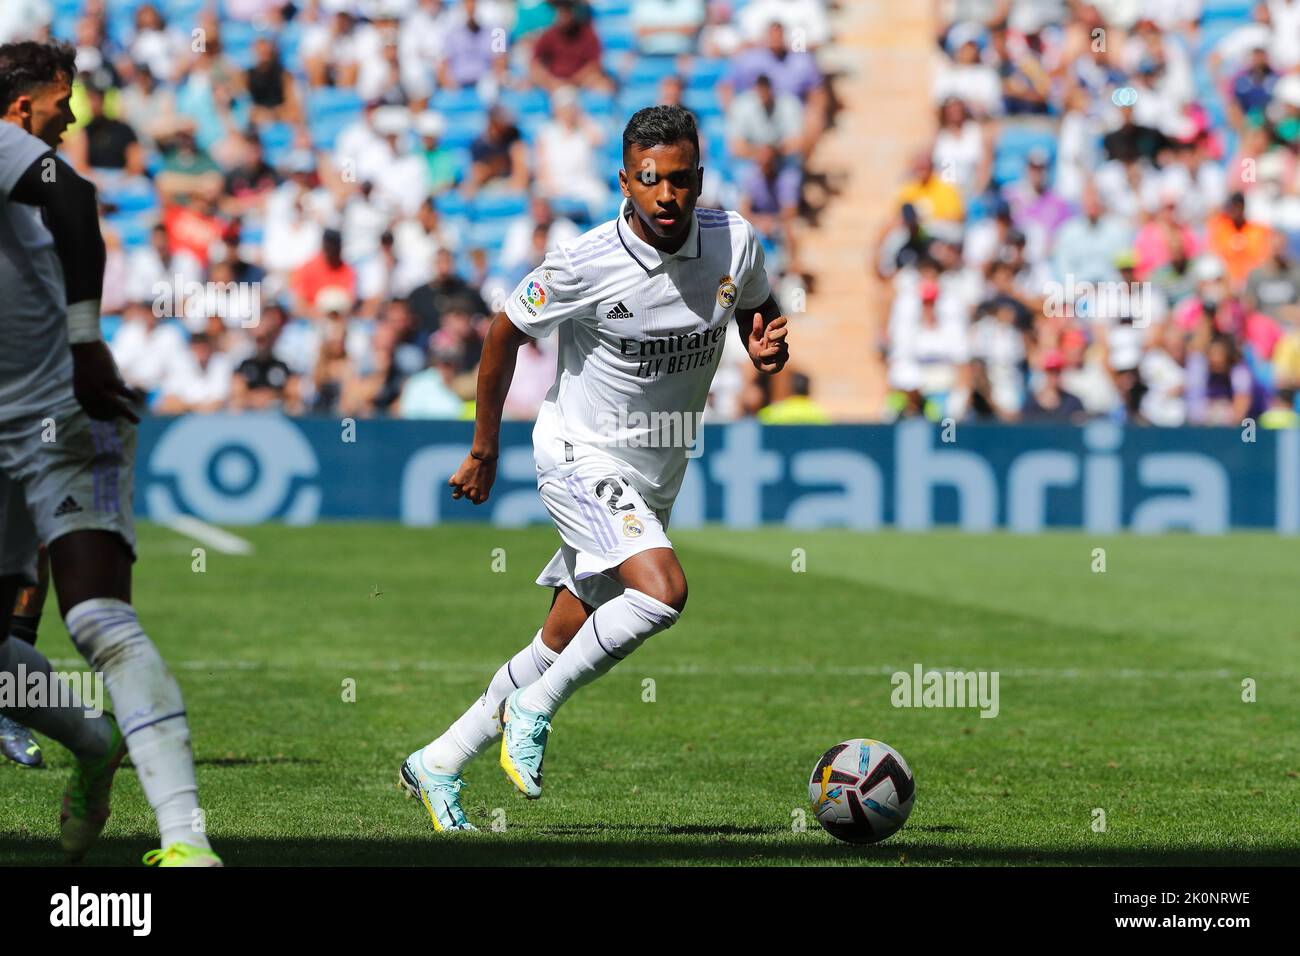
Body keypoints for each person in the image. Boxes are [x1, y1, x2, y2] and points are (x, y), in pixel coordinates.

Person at [400, 105, 789, 829]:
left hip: (655, 472)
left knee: (561, 636)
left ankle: (438, 762)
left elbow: (754, 312)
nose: (666, 196)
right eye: (650, 181)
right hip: (578, 454)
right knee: (663, 591)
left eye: (679, 181)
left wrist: (765, 347)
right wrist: (485, 449)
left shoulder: (735, 243)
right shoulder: (584, 263)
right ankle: (535, 710)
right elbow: (502, 334)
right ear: (625, 181)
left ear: (698, 179)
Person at [0, 40, 220, 865]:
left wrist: (86, 340)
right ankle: (94, 745)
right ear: (27, 104)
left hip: (62, 405)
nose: (73, 114)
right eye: (64, 99)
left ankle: (186, 838)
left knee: (95, 615)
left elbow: (76, 194)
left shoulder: (13, 150)